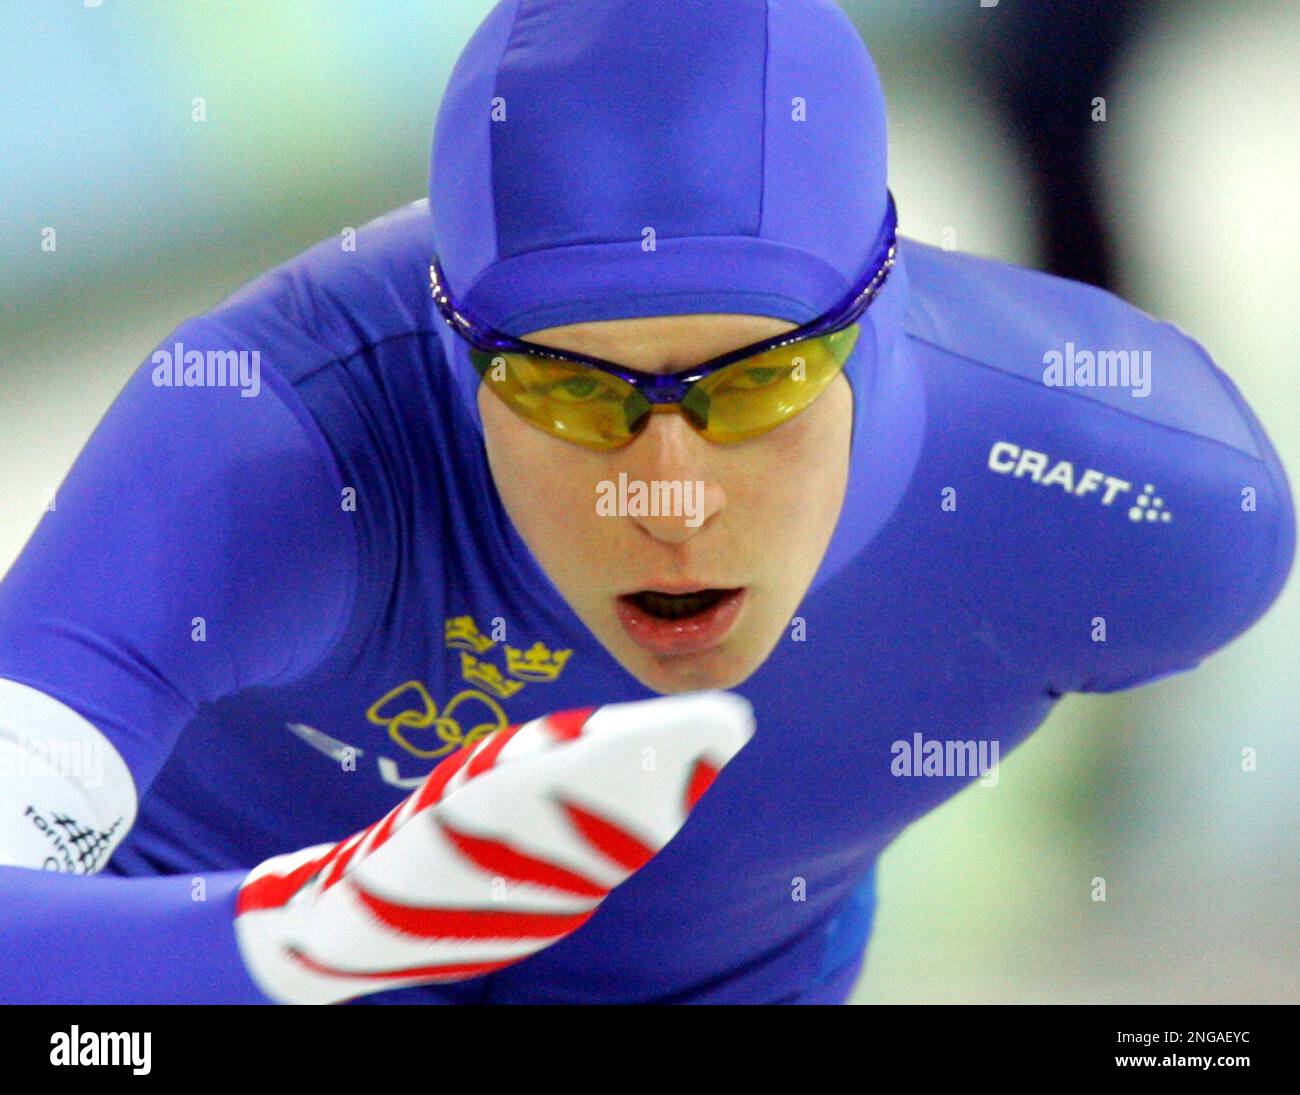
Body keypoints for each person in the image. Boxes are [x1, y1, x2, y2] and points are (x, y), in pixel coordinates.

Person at [0, 0, 1292, 1005]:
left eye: (759, 382)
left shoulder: (1144, 497)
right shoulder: (263, 442)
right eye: (569, 391)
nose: (668, 496)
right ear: (455, 354)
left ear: (870, 314)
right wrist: (312, 935)